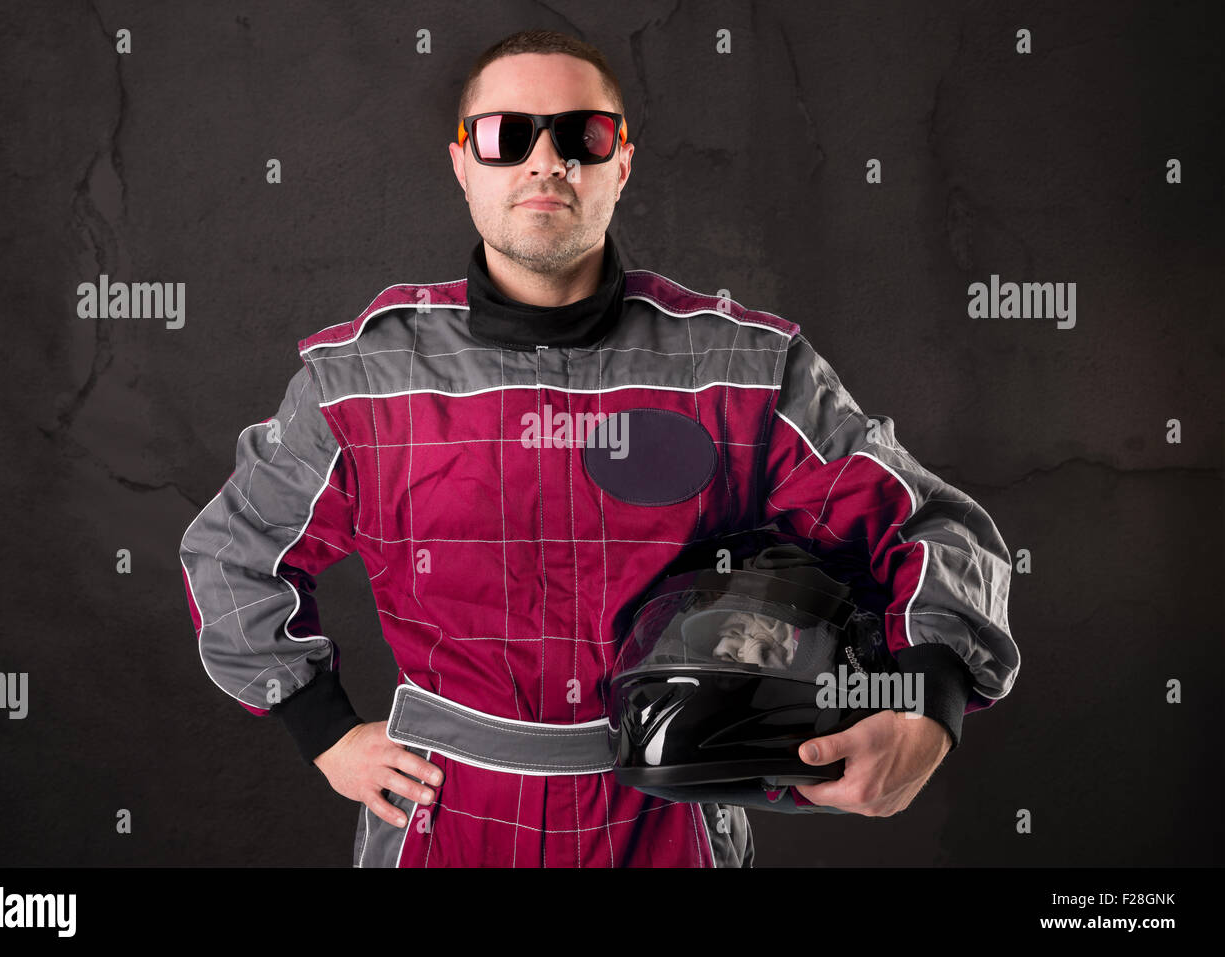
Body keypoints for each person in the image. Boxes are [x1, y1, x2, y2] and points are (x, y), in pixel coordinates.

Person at [178, 29, 1019, 867]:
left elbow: (932, 529)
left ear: (620, 164)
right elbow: (233, 551)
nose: (546, 162)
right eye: (509, 136)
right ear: (464, 164)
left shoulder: (743, 371)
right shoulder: (363, 380)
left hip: (670, 816)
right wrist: (324, 730)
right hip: (444, 821)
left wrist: (926, 703)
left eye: (583, 135)